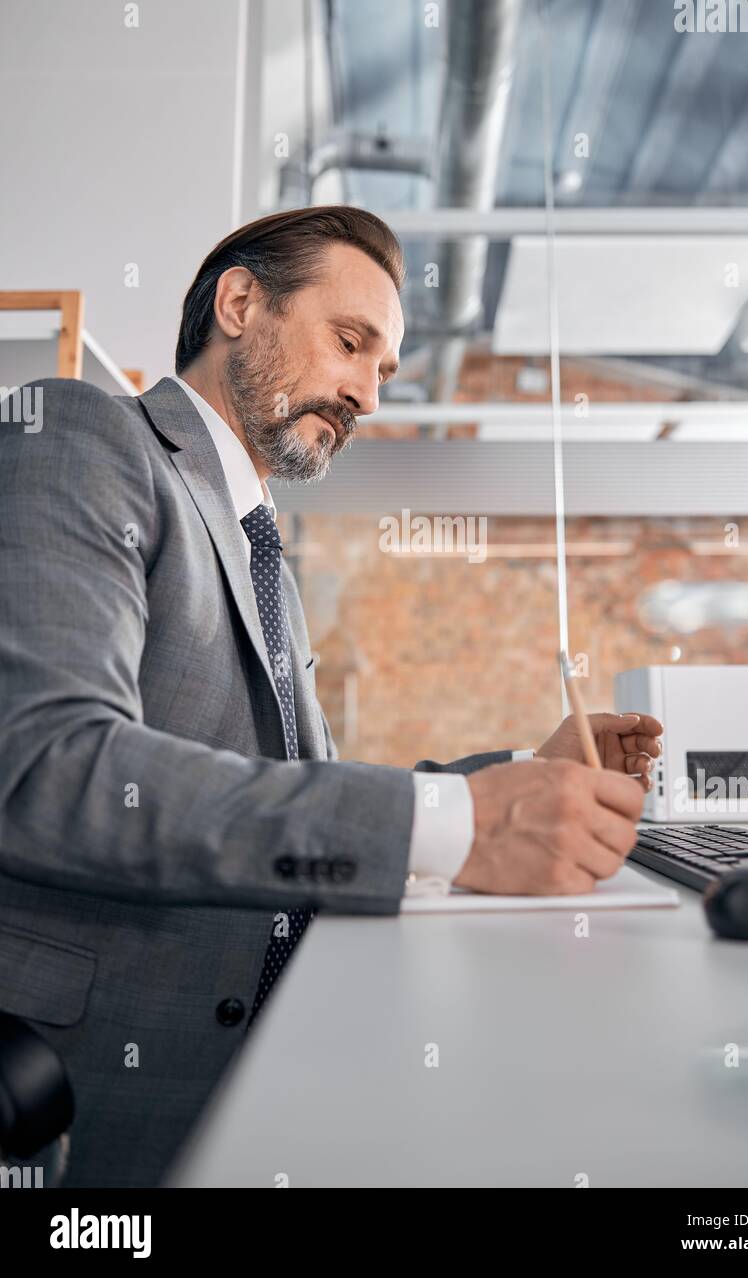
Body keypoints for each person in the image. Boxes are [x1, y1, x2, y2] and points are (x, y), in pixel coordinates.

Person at [0, 206, 661, 1187]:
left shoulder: (263, 546)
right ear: (238, 303)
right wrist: (455, 825)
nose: (364, 392)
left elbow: (298, 789)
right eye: (348, 343)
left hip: (264, 1054)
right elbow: (56, 771)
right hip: (100, 1077)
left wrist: (523, 772)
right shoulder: (86, 434)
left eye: (383, 372)